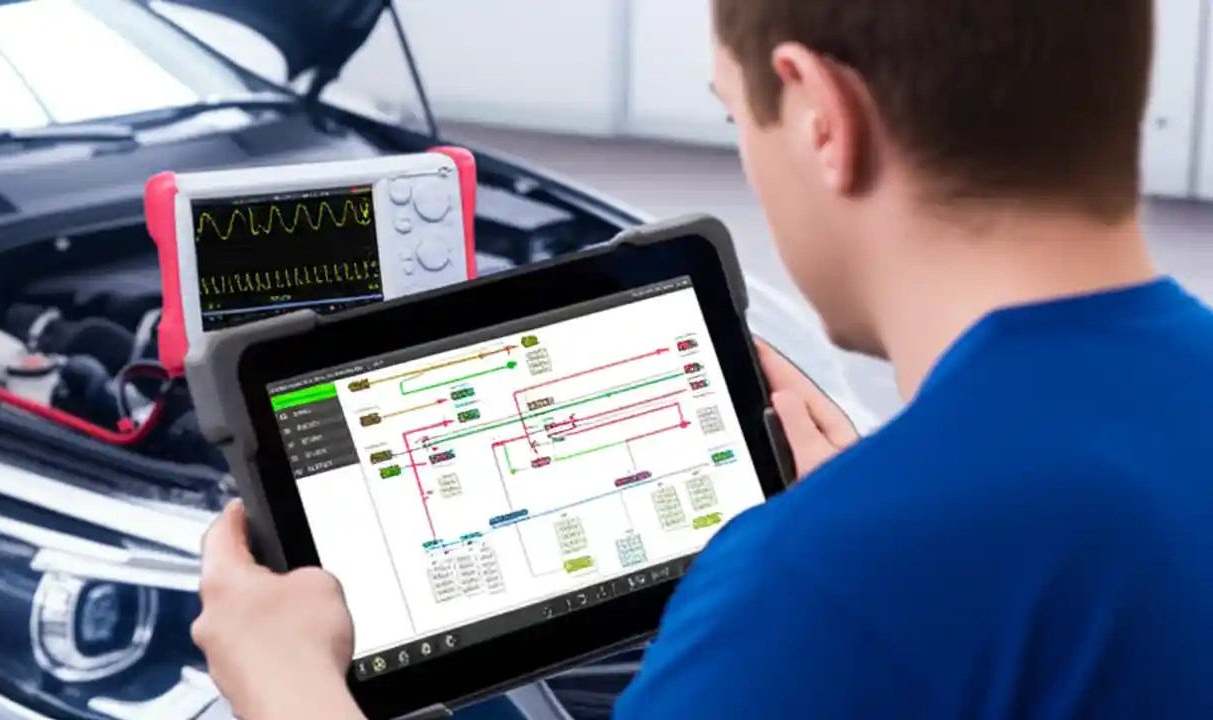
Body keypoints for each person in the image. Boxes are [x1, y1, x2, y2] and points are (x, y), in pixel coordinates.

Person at [192, 0, 1213, 717]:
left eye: (735, 116)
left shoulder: (813, 589)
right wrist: (877, 516)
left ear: (820, 116)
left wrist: (287, 687)